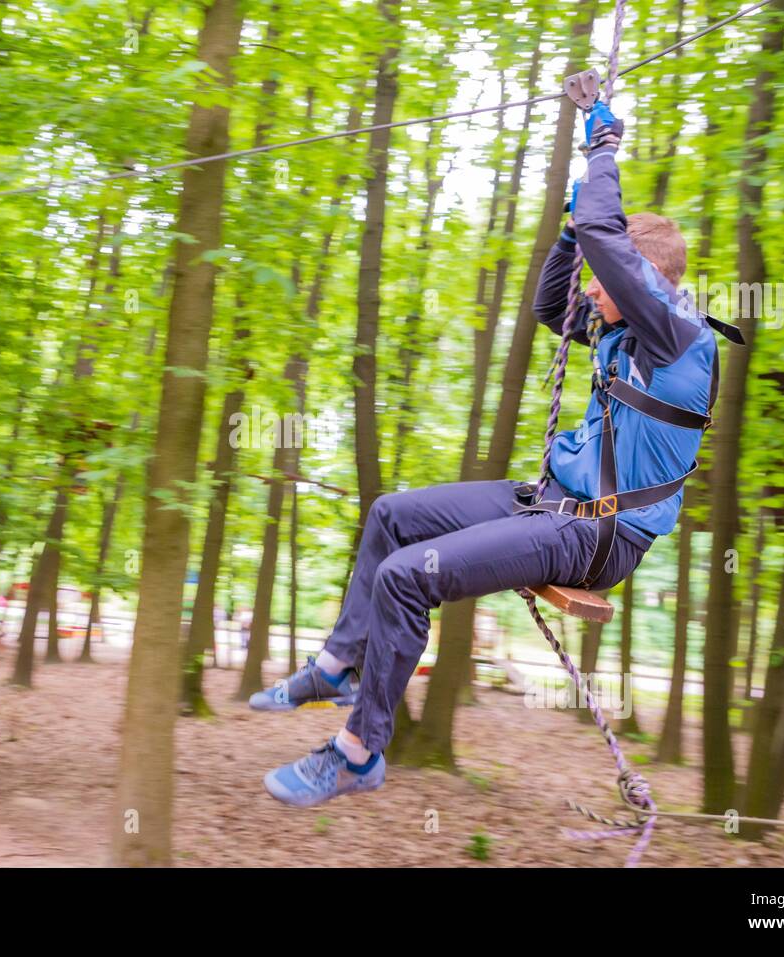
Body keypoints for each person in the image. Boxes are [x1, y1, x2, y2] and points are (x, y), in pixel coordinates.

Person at [256, 99, 737, 807]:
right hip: (551, 500)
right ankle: (336, 664)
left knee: (404, 577)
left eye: (607, 277)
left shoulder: (679, 339)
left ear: (649, 282)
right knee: (391, 516)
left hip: (598, 533)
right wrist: (571, 233)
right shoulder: (618, 330)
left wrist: (603, 149)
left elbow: (610, 239)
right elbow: (550, 307)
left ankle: (357, 752)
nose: (593, 289)